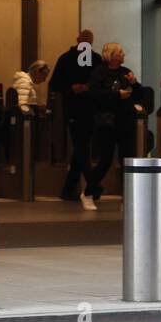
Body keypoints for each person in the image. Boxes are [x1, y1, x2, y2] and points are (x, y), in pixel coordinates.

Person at [81, 43, 142, 210]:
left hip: (125, 122)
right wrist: (116, 95)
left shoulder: (125, 72)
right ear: (111, 56)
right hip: (107, 123)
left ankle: (127, 198)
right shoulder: (99, 73)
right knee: (105, 161)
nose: (123, 55)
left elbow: (140, 94)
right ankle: (88, 192)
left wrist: (135, 84)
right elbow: (94, 94)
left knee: (127, 162)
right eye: (120, 52)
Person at [49, 30, 101, 201]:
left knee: (81, 147)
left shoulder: (70, 59)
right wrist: (72, 87)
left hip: (82, 109)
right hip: (78, 109)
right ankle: (93, 184)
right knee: (81, 147)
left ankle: (69, 188)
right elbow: (55, 84)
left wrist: (80, 87)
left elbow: (55, 84)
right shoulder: (77, 59)